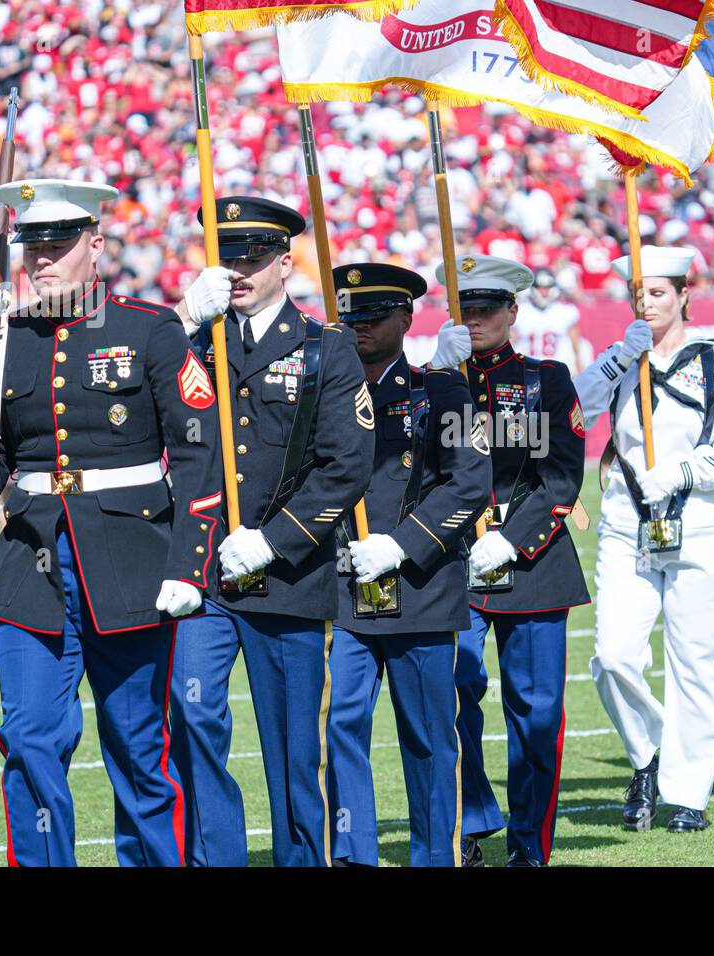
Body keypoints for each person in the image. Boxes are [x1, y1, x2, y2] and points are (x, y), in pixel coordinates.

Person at [0, 178, 223, 866]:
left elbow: (199, 454)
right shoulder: (7, 337)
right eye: (32, 245)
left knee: (136, 749)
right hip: (32, 561)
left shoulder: (149, 328)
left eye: (58, 244)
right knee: (30, 738)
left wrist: (191, 565)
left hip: (131, 564)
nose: (41, 258)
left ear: (95, 246)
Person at [168, 196, 374, 867]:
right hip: (206, 573)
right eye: (228, 258)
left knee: (292, 746)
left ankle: (300, 858)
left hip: (288, 575)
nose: (240, 271)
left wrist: (275, 538)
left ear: (286, 263)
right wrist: (178, 323)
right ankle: (215, 857)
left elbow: (347, 467)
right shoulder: (195, 343)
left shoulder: (326, 348)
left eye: (254, 257)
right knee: (193, 713)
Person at [575, 245, 714, 832]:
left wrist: (681, 470)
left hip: (701, 521)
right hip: (630, 521)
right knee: (614, 654)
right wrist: (614, 362)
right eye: (638, 293)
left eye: (658, 293)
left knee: (696, 659)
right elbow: (572, 412)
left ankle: (688, 794)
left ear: (684, 295)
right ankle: (648, 756)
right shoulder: (622, 357)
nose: (646, 304)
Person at [325, 262, 491, 868]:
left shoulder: (440, 392)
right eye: (352, 317)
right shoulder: (325, 393)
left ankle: (433, 855)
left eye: (374, 317)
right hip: (341, 589)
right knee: (339, 723)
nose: (361, 327)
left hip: (418, 587)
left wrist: (400, 544)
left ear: (406, 318)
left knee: (427, 736)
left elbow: (470, 485)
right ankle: (351, 851)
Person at [430, 253, 589, 867]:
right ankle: (471, 821)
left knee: (538, 710)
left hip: (532, 562)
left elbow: (559, 478)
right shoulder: (432, 379)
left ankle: (530, 843)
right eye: (464, 308)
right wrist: (435, 383)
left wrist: (512, 538)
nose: (475, 319)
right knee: (450, 690)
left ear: (513, 311)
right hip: (451, 562)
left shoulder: (546, 380)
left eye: (487, 308)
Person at [514, 268, 588, 374]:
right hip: (528, 371)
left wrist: (580, 370)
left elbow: (576, 346)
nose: (544, 292)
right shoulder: (521, 312)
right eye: (540, 288)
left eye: (547, 288)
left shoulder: (566, 311)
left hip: (557, 371)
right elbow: (512, 343)